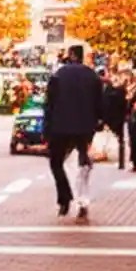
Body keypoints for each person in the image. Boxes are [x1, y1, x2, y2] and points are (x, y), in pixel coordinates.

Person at [44, 44, 104, 221]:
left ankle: (64, 198)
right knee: (83, 164)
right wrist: (98, 122)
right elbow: (100, 103)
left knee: (56, 162)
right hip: (85, 127)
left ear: (70, 55)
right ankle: (82, 202)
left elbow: (49, 103)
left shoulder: (58, 75)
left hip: (60, 126)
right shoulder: (92, 76)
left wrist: (46, 128)